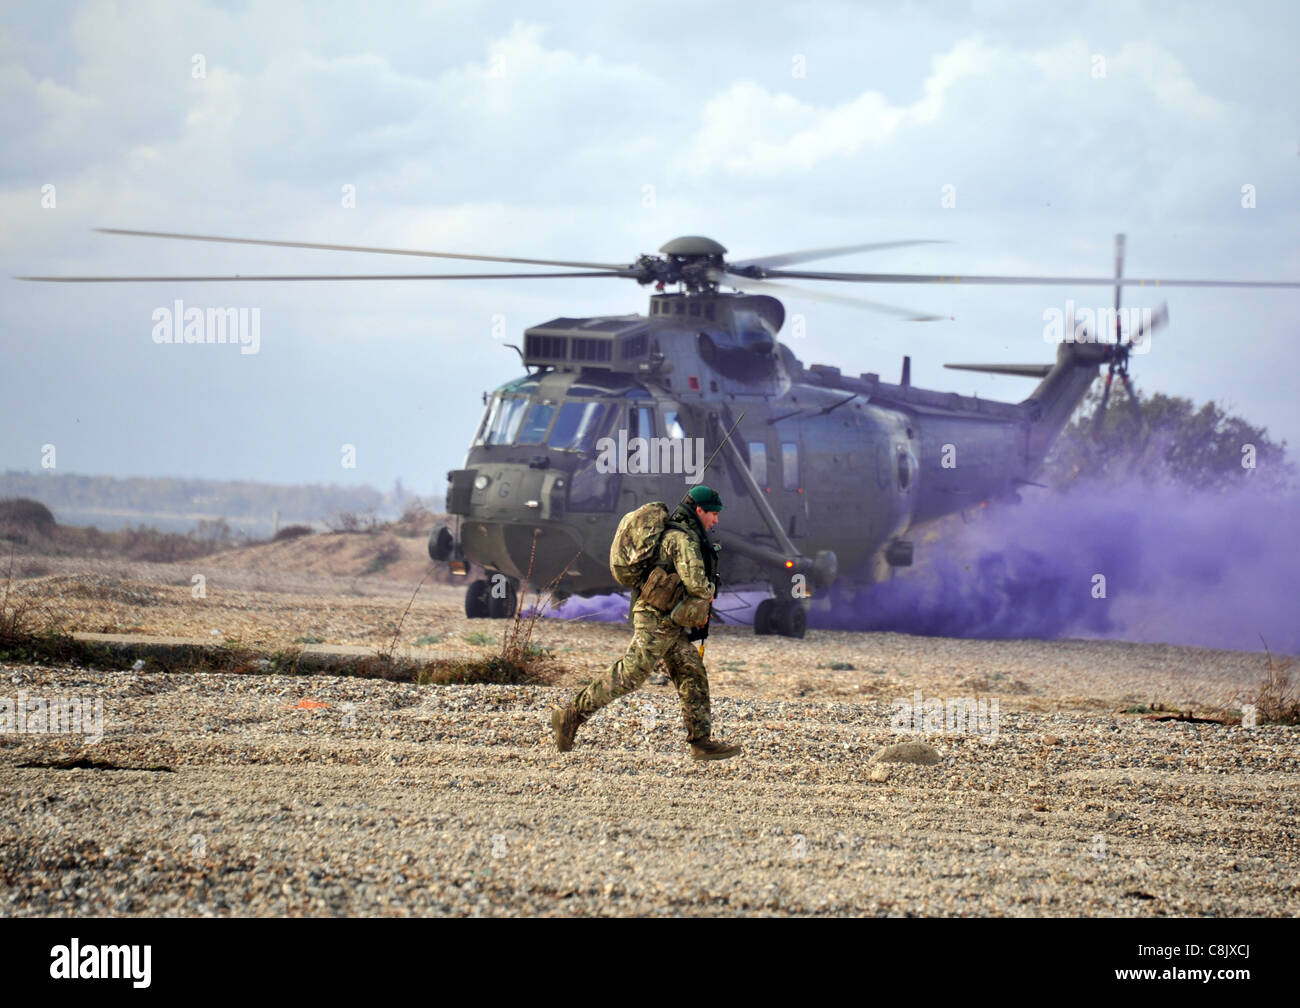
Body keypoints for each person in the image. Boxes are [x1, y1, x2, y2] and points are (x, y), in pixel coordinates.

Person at [550, 484, 741, 760]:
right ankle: (570, 716)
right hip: (656, 618)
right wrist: (708, 594)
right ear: (699, 511)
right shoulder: (682, 539)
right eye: (713, 514)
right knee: (631, 674)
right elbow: (697, 584)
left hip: (669, 620)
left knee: (691, 673)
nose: (716, 520)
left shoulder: (680, 534)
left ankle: (700, 742)